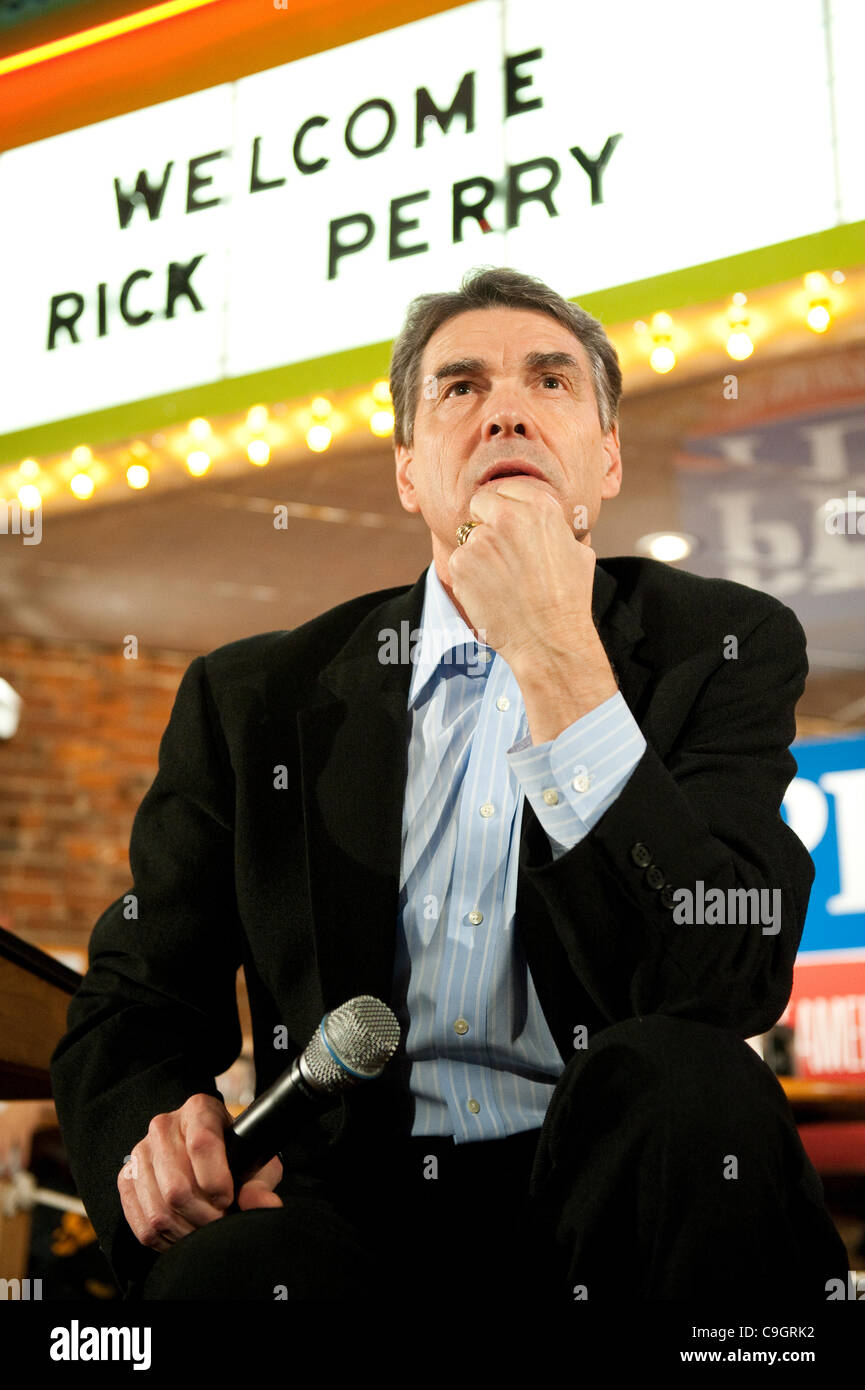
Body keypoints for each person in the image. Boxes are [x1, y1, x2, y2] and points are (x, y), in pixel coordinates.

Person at [49, 265, 850, 1304]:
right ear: (407, 471)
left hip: (613, 1184)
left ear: (605, 459)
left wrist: (557, 653)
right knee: (227, 1281)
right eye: (460, 385)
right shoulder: (252, 697)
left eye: (550, 381)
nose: (505, 406)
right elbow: (135, 1002)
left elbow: (721, 979)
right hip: (337, 1213)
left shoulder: (722, 645)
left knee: (693, 1081)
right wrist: (153, 1143)